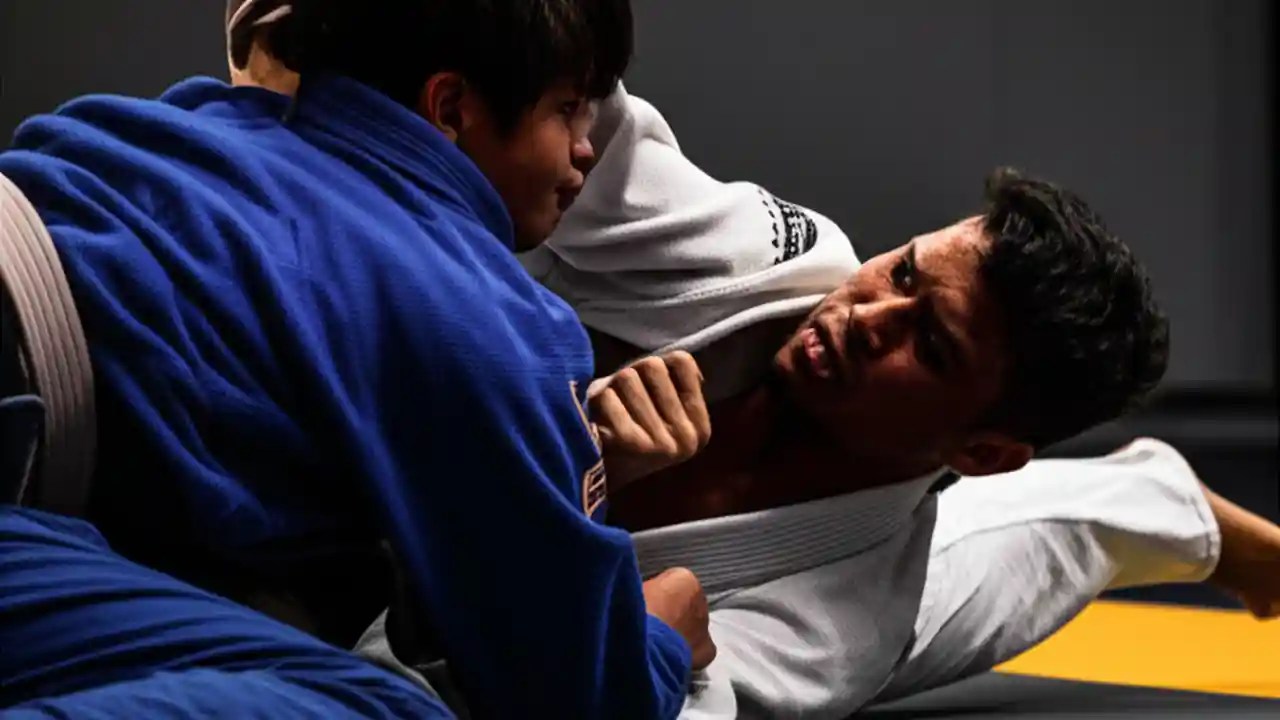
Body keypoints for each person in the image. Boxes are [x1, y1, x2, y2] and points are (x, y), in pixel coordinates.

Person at [0, 2, 715, 717]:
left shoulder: (194, 123)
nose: (585, 149)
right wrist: (660, 634)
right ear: (452, 107)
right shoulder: (485, 312)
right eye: (567, 110)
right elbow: (579, 694)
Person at [522, 83, 1280, 718]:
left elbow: (645, 703)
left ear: (982, 453)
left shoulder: (843, 625)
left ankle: (1171, 508)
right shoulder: (754, 254)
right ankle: (1165, 498)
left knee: (1020, 552)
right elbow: (556, 86)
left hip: (863, 545)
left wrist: (585, 506)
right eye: (906, 274)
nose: (863, 317)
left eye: (930, 347)